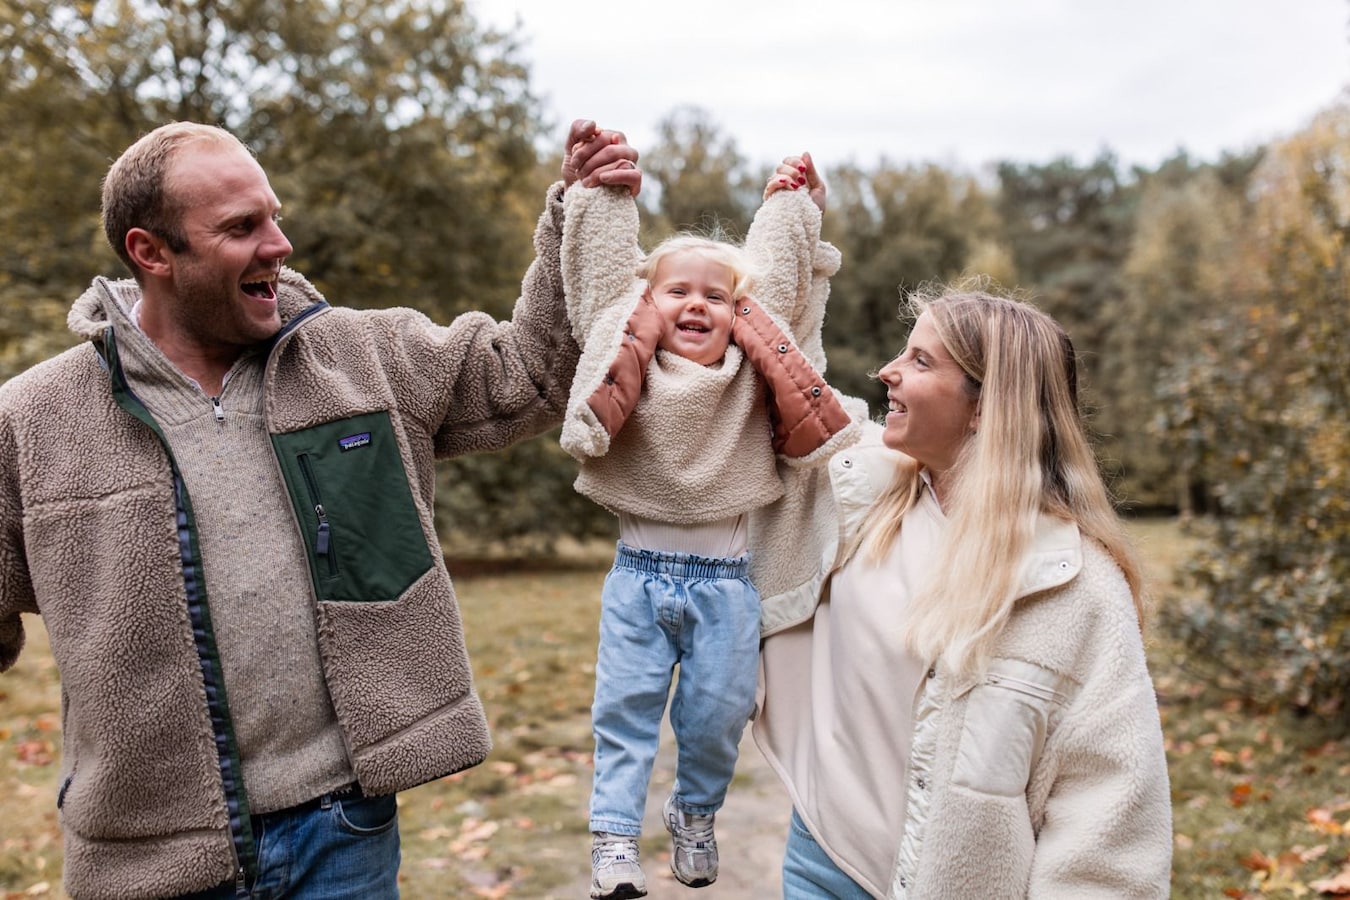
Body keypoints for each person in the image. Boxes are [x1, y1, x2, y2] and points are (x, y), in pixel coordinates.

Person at [0, 118, 638, 899]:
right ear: (151, 252)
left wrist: (575, 216)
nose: (280, 244)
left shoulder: (361, 357)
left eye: (274, 214)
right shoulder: (32, 421)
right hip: (147, 861)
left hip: (344, 830)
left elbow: (531, 373)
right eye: (242, 227)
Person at [750, 285, 1174, 898]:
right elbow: (766, 369)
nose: (887, 372)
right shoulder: (853, 492)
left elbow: (1109, 821)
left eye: (921, 361)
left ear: (986, 406)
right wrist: (798, 225)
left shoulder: (1077, 587)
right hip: (823, 859)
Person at [559, 154, 863, 899]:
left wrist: (793, 211)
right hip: (637, 579)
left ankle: (695, 812)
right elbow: (599, 284)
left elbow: (787, 298)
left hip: (726, 588)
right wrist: (599, 196)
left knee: (716, 718)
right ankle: (615, 842)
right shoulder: (620, 368)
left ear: (741, 314)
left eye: (717, 297)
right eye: (677, 291)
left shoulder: (752, 380)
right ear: (645, 305)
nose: (697, 305)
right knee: (623, 712)